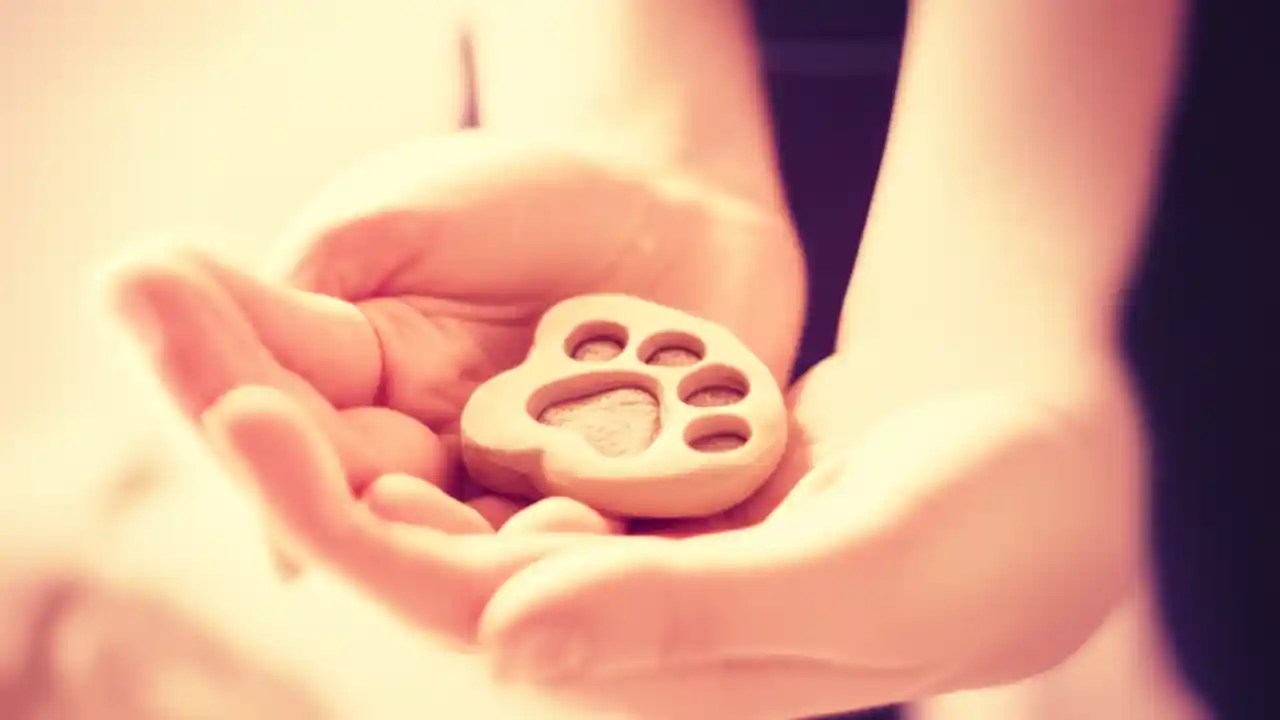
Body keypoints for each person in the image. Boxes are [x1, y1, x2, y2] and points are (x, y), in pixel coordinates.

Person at [106, 2, 1188, 718]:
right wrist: (636, 133)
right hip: (678, 79)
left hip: (1147, 97)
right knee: (748, 643)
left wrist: (991, 300)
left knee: (1226, 596)